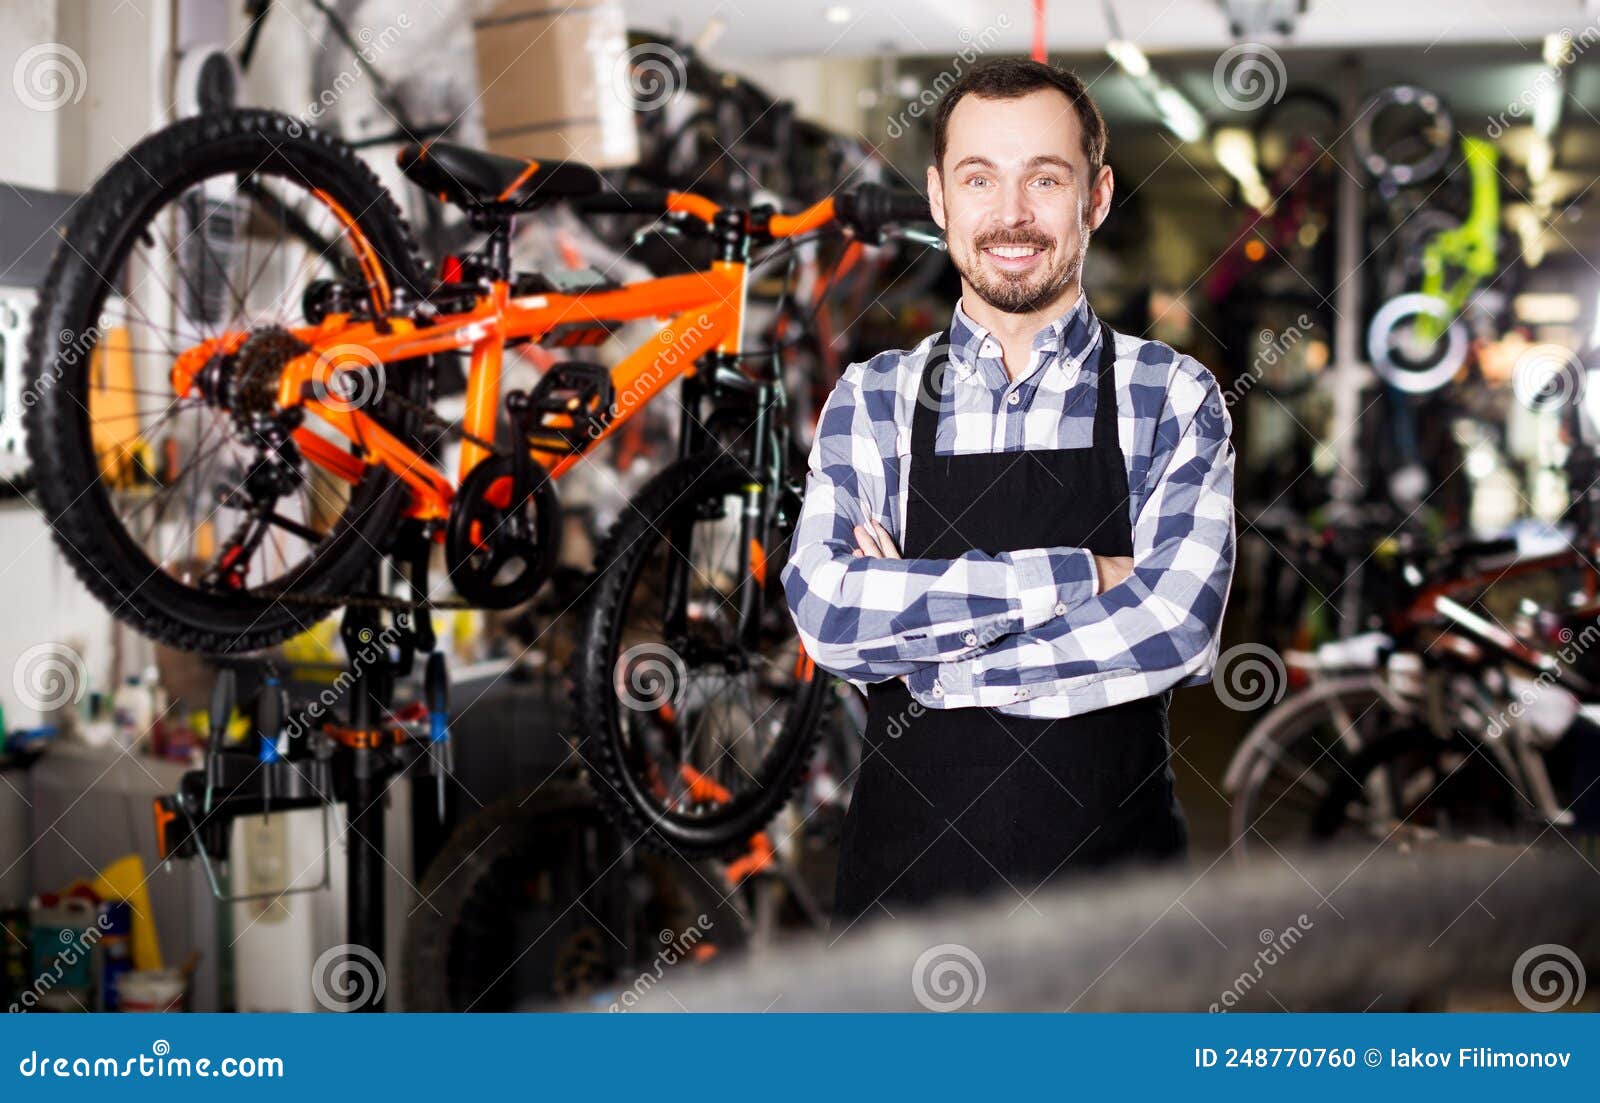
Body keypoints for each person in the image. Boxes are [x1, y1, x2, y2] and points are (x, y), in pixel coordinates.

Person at [781, 58, 1236, 934]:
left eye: (1046, 178)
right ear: (940, 197)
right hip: (902, 916)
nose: (1012, 215)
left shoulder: (1173, 395)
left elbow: (1172, 626)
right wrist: (1081, 576)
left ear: (1095, 197)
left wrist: (927, 655)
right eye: (979, 178)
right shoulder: (873, 398)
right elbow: (834, 618)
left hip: (1120, 923)